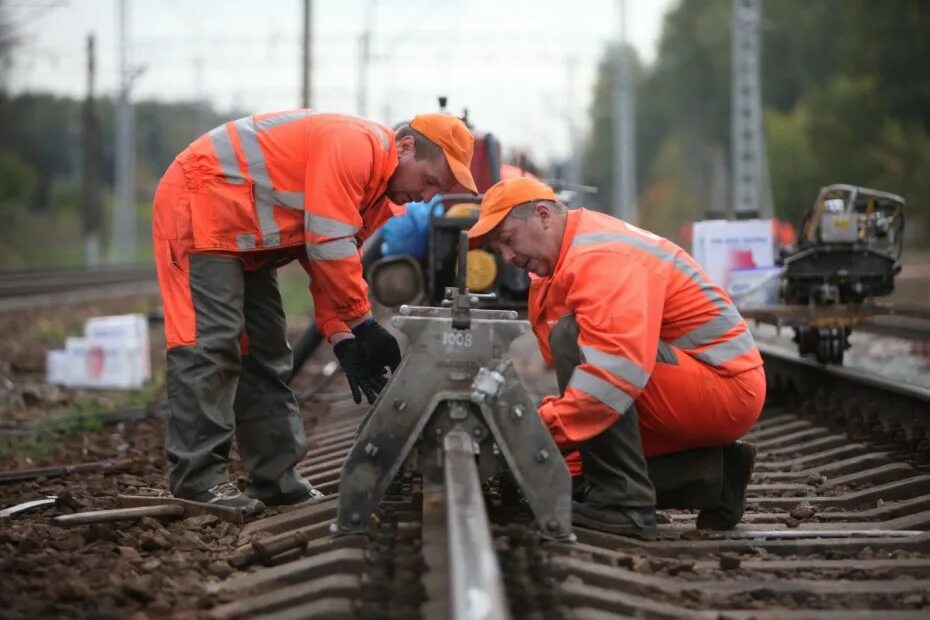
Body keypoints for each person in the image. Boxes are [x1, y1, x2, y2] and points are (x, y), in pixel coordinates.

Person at [152, 110, 477, 515]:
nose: (426, 197)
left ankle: (276, 481)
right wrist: (364, 323)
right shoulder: (355, 146)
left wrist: (343, 338)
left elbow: (328, 260)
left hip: (242, 233)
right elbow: (327, 243)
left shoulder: (377, 193)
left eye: (436, 191)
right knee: (212, 343)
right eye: (429, 181)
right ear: (406, 147)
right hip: (201, 203)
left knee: (267, 351)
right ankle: (197, 483)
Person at [467, 177, 765, 538]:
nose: (507, 257)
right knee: (568, 476)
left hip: (723, 387)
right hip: (687, 383)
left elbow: (609, 376)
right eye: (500, 249)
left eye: (508, 240)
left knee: (573, 338)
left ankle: (623, 503)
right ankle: (716, 475)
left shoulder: (601, 256)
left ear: (543, 215)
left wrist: (533, 431)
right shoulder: (565, 260)